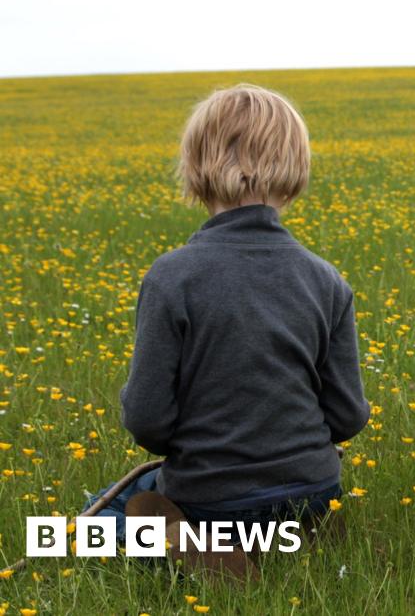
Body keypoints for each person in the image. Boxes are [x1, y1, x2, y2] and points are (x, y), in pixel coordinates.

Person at [91, 84, 369, 577]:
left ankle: (189, 543)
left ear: (196, 169)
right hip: (312, 493)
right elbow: (347, 417)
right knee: (283, 509)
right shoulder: (326, 279)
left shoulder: (172, 276)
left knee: (88, 518)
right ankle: (293, 537)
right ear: (296, 169)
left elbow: (147, 420)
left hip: (211, 499)